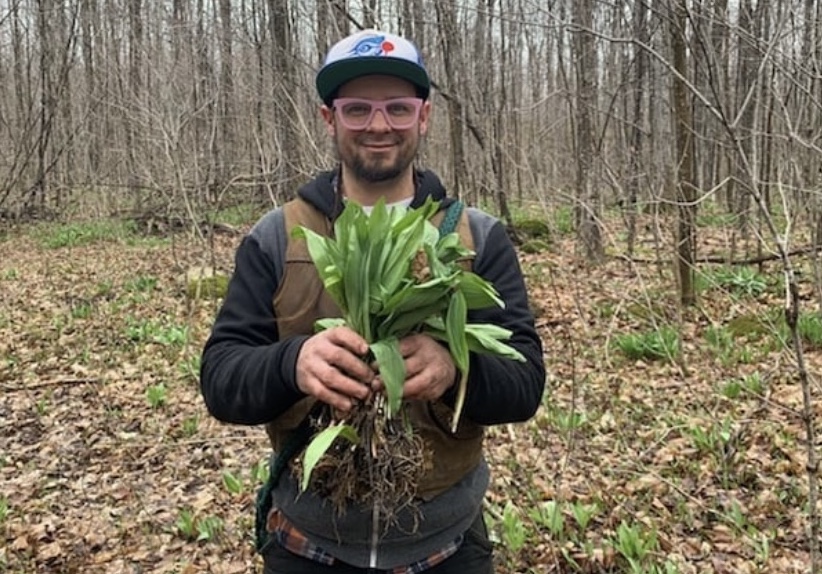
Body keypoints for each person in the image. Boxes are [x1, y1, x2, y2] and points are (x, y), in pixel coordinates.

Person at [200, 28, 545, 574]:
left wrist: (456, 367)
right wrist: (292, 363)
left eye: (397, 109)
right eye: (356, 109)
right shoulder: (277, 236)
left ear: (424, 117)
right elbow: (221, 380)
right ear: (328, 119)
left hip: (447, 548)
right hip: (306, 547)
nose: (378, 125)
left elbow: (525, 385)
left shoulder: (477, 237)